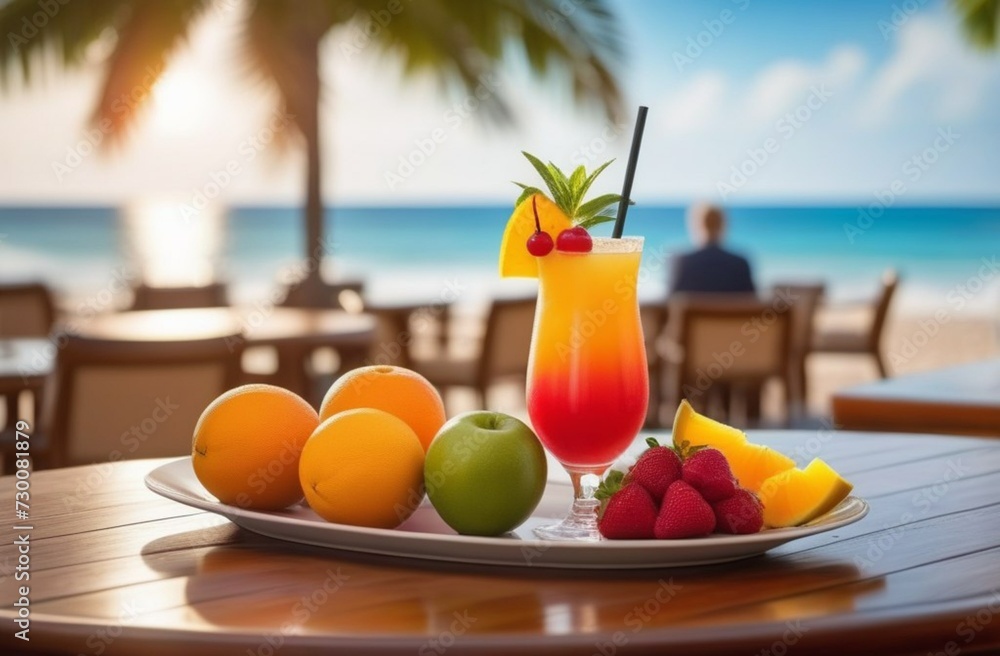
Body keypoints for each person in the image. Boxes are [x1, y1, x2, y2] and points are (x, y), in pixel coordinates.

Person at [669, 204, 755, 295]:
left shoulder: (682, 263)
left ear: (695, 226)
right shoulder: (740, 264)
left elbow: (669, 301)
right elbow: (752, 301)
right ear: (723, 225)